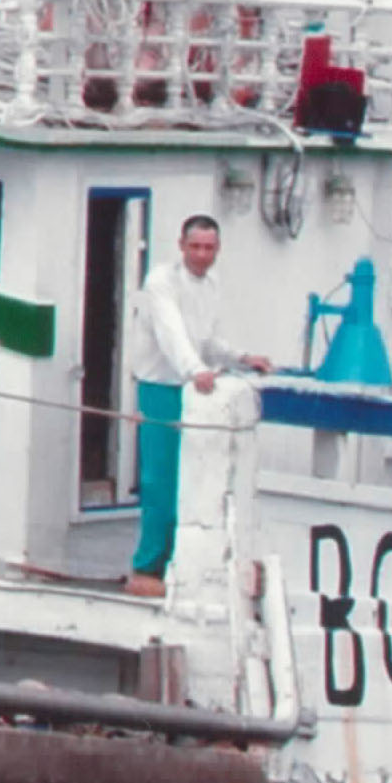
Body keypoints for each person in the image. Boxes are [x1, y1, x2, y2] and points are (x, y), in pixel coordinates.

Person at [127, 214, 268, 595]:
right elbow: (171, 332)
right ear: (181, 245)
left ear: (217, 249)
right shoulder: (161, 282)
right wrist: (195, 370)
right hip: (162, 387)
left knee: (194, 478)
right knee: (160, 480)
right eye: (196, 247)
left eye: (209, 248)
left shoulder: (211, 284)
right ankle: (147, 569)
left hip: (193, 388)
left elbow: (208, 338)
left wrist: (243, 357)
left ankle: (181, 565)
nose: (202, 255)